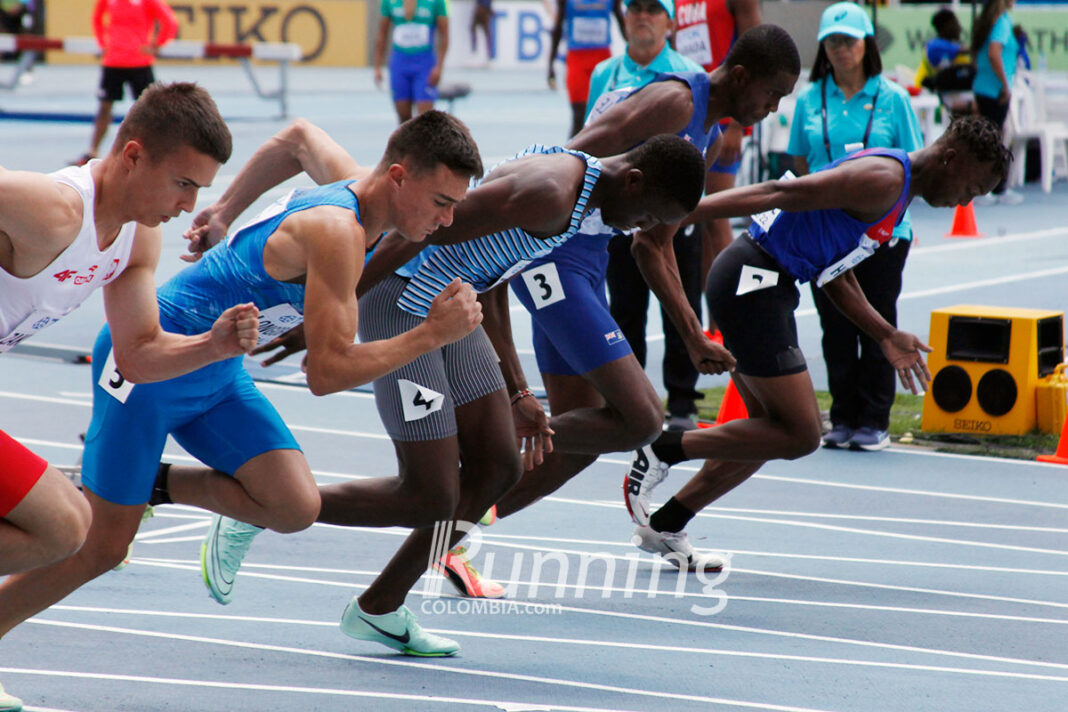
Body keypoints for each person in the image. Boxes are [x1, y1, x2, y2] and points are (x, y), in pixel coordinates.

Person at [192, 118, 708, 656]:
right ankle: (267, 505)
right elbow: (403, 237)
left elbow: (496, 276)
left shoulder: (583, 196)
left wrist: (516, 390)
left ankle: (378, 608)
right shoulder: (550, 193)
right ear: (634, 181)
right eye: (646, 217)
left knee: (499, 468)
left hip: (455, 304)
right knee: (428, 493)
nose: (637, 230)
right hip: (399, 295)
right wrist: (327, 311)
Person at [0, 111, 486, 667]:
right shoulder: (336, 232)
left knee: (294, 505)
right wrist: (431, 335)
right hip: (153, 369)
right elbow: (326, 374)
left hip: (220, 365)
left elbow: (298, 136)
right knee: (100, 549)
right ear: (399, 177)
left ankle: (149, 484)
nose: (446, 220)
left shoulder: (355, 181)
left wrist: (224, 211)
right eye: (442, 201)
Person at [624, 115, 1011, 566]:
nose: (968, 201)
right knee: (801, 433)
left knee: (764, 434)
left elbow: (835, 274)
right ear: (951, 158)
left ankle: (667, 524)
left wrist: (885, 333)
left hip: (765, 282)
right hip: (755, 279)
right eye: (974, 189)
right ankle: (666, 447)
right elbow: (778, 193)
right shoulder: (883, 179)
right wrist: (683, 210)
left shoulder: (896, 192)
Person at [485, 26, 800, 569]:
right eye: (771, 95)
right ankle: (476, 457)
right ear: (741, 76)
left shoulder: (717, 138)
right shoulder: (674, 101)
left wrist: (690, 332)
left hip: (588, 260)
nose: (772, 109)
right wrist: (499, 239)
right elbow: (570, 156)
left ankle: (459, 524)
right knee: (639, 417)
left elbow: (653, 243)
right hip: (554, 252)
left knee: (577, 444)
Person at [0, 81, 258, 712]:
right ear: (134, 155)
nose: (191, 204)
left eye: (199, 188)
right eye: (183, 183)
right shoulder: (56, 209)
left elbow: (139, 354)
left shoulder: (136, 237)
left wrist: (214, 346)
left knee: (67, 528)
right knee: (65, 522)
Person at [787, 1, 923, 452]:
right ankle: (843, 415)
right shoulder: (811, 97)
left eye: (849, 41)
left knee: (878, 321)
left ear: (866, 45)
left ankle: (875, 418)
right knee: (836, 325)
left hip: (882, 234)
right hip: (828, 235)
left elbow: (912, 165)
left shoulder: (893, 99)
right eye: (833, 42)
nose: (841, 49)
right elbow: (800, 162)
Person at [588, 0, 713, 431]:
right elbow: (592, 138)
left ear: (671, 21)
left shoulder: (688, 74)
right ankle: (630, 394)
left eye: (652, 9)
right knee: (625, 305)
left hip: (675, 212)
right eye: (635, 7)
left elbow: (706, 140)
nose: (642, 16)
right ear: (623, 17)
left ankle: (682, 400)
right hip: (622, 212)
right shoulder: (603, 73)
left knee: (680, 296)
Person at [673, 0, 762, 354]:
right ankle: (708, 320)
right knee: (692, 222)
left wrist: (739, 126)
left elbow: (758, 51)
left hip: (725, 118)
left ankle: (730, 315)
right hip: (688, 113)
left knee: (715, 218)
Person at [70, 0, 178, 167]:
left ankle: (156, 153)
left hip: (139, 62)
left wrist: (157, 44)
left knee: (150, 109)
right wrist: (102, 43)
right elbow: (97, 18)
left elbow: (169, 21)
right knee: (104, 107)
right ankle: (93, 151)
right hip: (113, 61)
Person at [547, 0, 626, 137]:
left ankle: (603, 156)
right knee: (579, 116)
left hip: (603, 61)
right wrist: (550, 65)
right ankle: (571, 156)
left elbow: (622, 24)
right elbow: (558, 28)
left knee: (604, 116)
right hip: (577, 60)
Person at [971, 0, 1022, 205]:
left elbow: (979, 55)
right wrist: (1004, 84)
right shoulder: (1002, 22)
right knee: (993, 139)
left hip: (983, 86)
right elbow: (994, 53)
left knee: (990, 138)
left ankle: (993, 186)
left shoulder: (988, 21)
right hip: (995, 89)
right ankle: (990, 187)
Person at [373, 0, 449, 123]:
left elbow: (444, 35)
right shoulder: (389, 2)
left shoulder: (436, 2)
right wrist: (377, 66)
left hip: (424, 65)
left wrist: (439, 66)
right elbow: (382, 34)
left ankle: (424, 142)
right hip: (400, 64)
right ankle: (407, 143)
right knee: (403, 118)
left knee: (426, 119)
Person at [470, 0, 494, 65]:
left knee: (487, 34)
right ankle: (475, 53)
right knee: (473, 29)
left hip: (484, 10)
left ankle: (488, 57)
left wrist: (487, 8)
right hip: (480, 9)